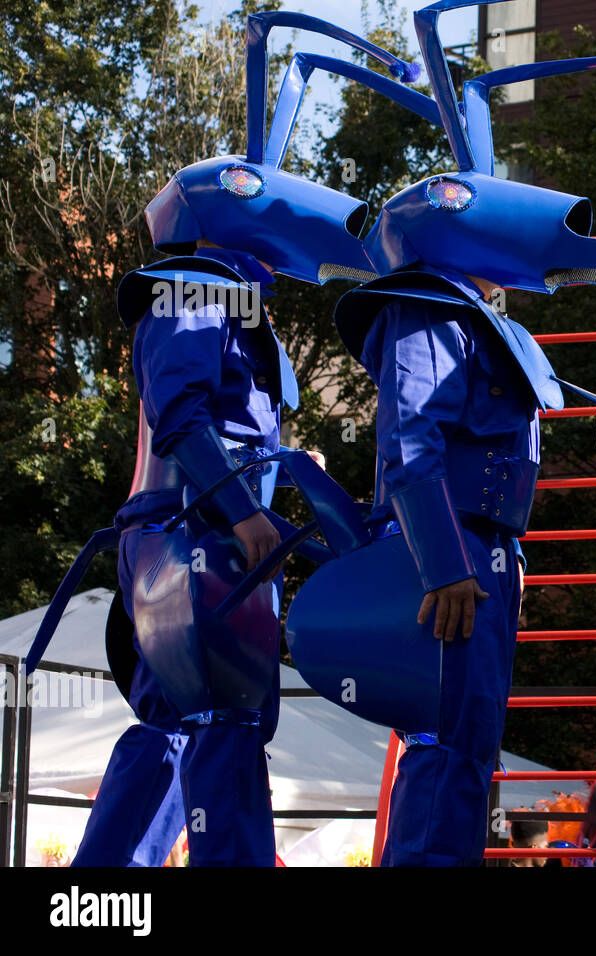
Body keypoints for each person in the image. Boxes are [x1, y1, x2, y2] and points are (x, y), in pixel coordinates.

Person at [316, 10, 596, 867]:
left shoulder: (474, 317)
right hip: (453, 561)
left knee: (465, 749)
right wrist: (444, 563)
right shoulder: (432, 306)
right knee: (446, 750)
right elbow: (411, 442)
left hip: (482, 558)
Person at [64, 12, 420, 865]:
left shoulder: (221, 298)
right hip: (198, 535)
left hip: (202, 535)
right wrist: (242, 511)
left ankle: (98, 889)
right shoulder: (193, 287)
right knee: (215, 717)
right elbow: (184, 417)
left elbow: (209, 420)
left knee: (186, 721)